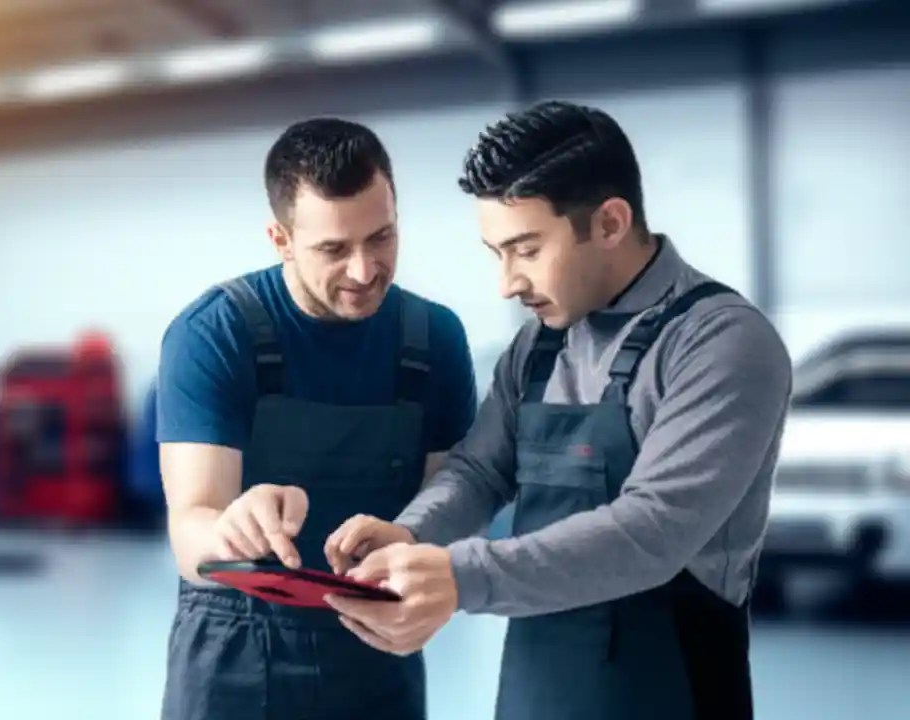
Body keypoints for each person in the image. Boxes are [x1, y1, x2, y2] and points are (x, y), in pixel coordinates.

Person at [323, 100, 793, 720]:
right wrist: (413, 531)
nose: (507, 284)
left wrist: (460, 574)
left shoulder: (721, 342)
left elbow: (654, 530)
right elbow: (481, 470)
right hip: (536, 692)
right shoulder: (540, 342)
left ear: (610, 222)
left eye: (526, 249)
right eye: (497, 253)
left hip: (669, 694)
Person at [155, 117, 478, 719]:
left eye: (381, 237)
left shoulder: (435, 339)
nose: (363, 270)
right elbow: (189, 529)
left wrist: (422, 561)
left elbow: (452, 499)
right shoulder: (214, 334)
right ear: (280, 239)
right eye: (333, 249)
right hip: (234, 653)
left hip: (377, 651)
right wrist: (230, 532)